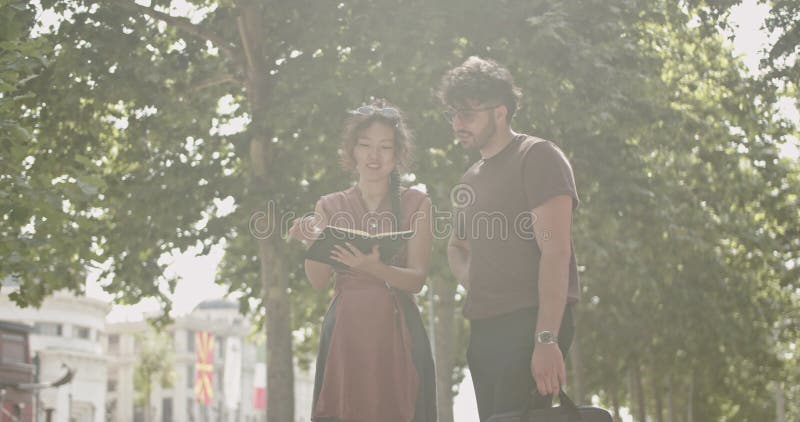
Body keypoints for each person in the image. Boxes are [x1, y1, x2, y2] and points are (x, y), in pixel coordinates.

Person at [440, 57, 581, 421]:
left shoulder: (538, 157)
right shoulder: (470, 179)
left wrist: (546, 340)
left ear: (500, 112)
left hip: (531, 324)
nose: (458, 124)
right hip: (485, 329)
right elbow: (457, 246)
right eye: (453, 114)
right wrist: (476, 279)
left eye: (468, 114)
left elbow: (556, 250)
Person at [288, 99, 437, 422]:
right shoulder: (329, 205)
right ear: (352, 151)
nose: (374, 155)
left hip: (397, 330)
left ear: (397, 155)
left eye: (385, 147)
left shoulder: (417, 203)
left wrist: (376, 269)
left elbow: (417, 279)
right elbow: (317, 281)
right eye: (365, 145)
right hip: (346, 331)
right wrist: (312, 243)